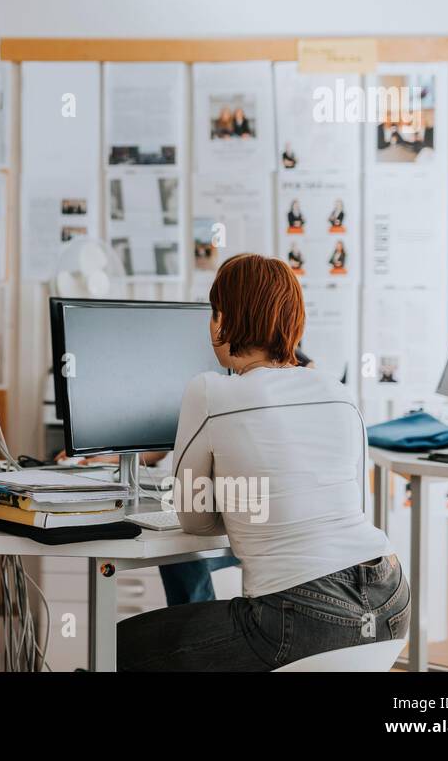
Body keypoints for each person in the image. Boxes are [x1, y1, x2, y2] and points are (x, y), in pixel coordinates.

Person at [116, 254, 406, 671]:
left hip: (300, 615)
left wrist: (239, 508)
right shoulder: (339, 392)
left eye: (214, 311)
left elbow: (195, 520)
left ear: (223, 320)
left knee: (114, 645)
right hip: (389, 598)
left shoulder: (208, 392)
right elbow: (345, 504)